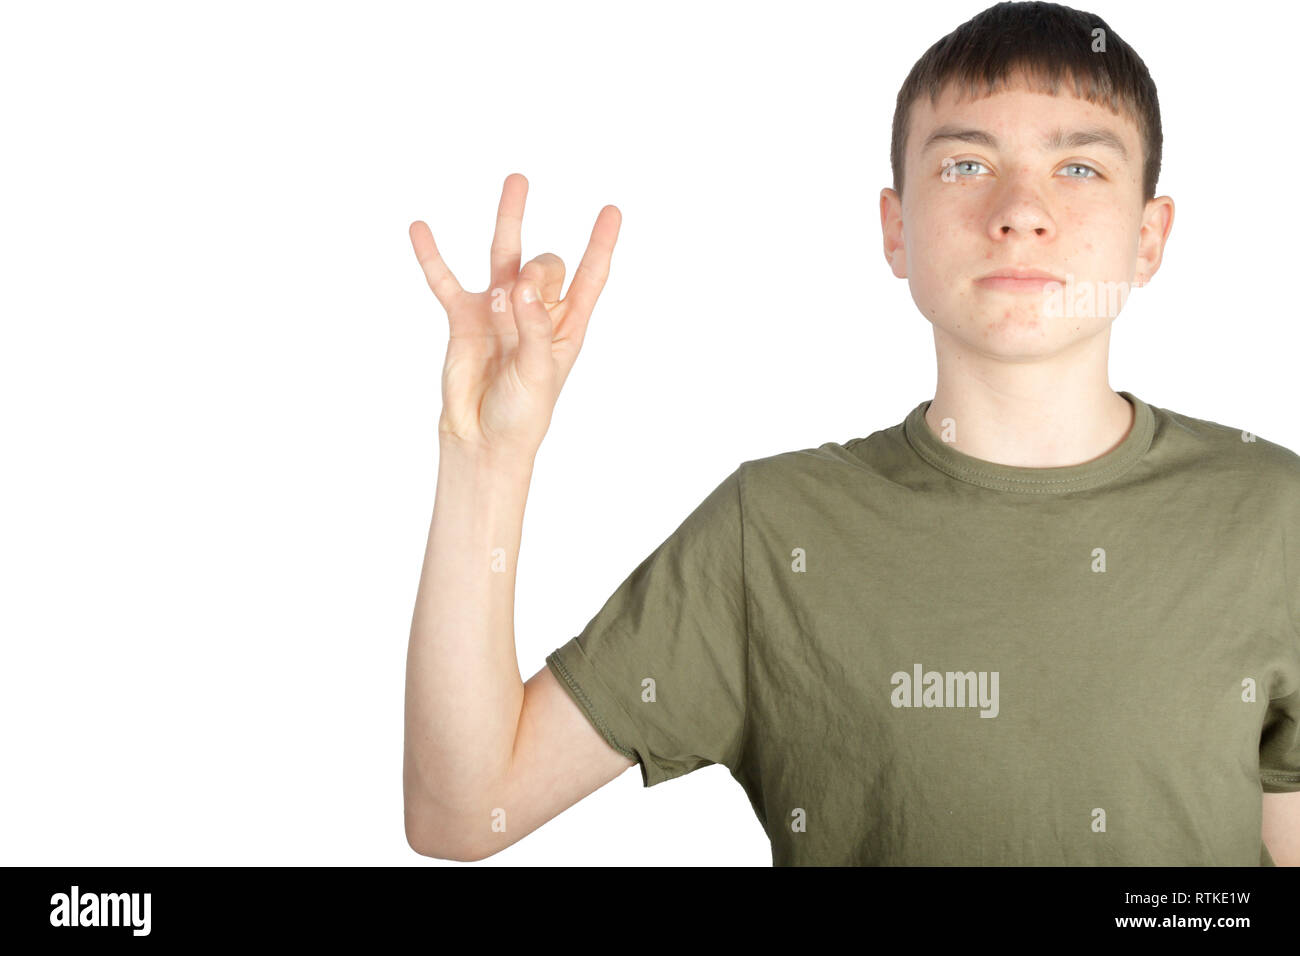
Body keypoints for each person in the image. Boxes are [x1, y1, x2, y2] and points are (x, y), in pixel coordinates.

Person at [401, 0, 1300, 865]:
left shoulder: (1272, 513)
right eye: (965, 165)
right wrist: (487, 456)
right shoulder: (773, 531)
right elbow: (463, 811)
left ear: (1149, 238)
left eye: (1079, 168)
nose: (1021, 210)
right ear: (895, 230)